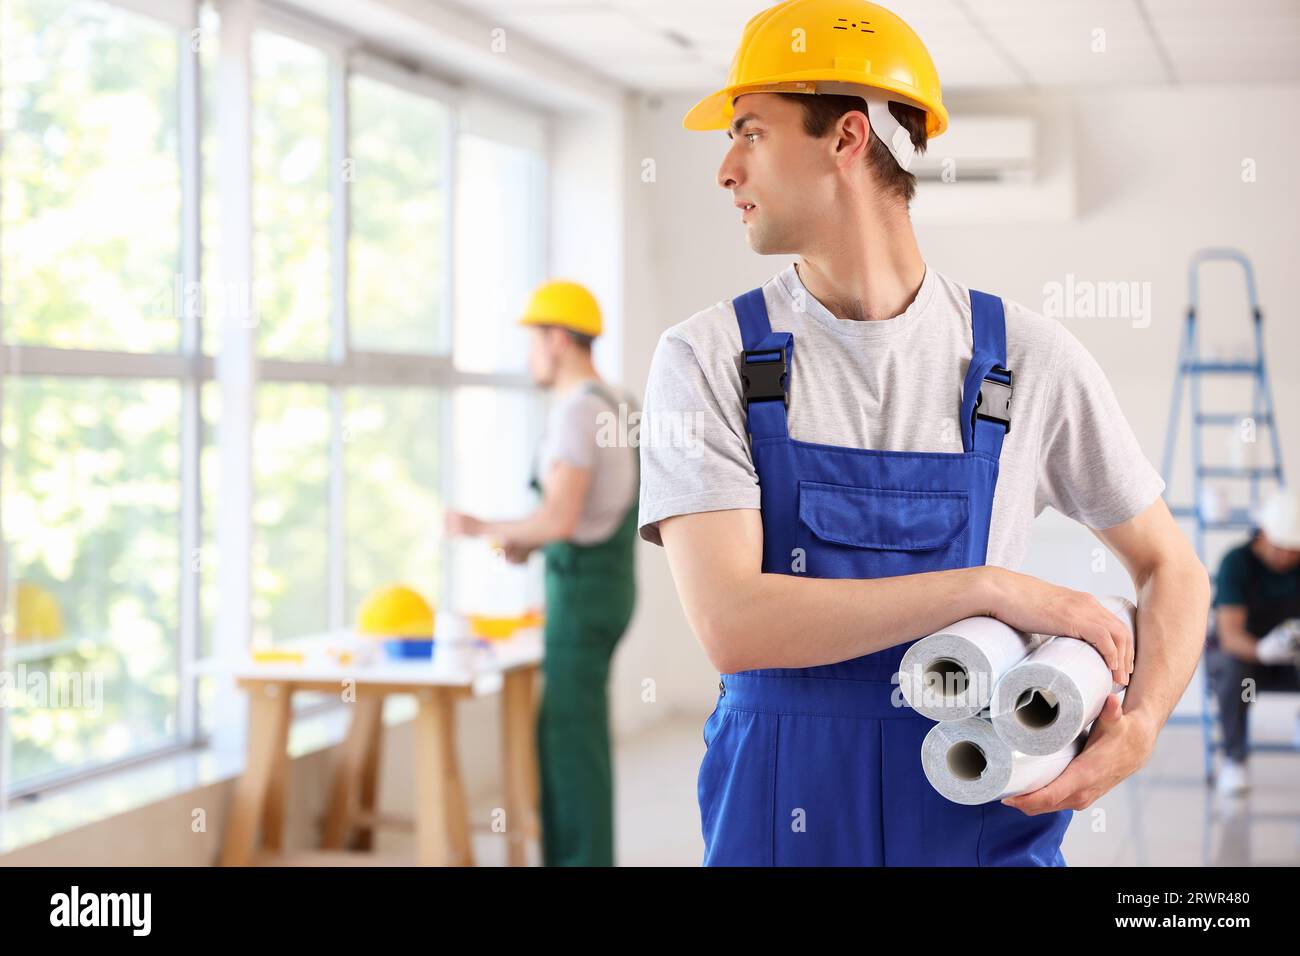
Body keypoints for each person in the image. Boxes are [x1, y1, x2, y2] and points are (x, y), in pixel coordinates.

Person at [637, 0, 1209, 866]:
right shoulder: (707, 358)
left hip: (978, 802)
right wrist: (988, 589)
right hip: (782, 810)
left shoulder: (1026, 361)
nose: (725, 167)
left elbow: (1174, 568)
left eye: (750, 131)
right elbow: (733, 621)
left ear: (847, 138)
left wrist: (1145, 723)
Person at [444, 279, 639, 866]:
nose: (529, 356)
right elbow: (592, 511)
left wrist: (482, 528)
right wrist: (528, 544)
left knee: (567, 744)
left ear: (557, 340)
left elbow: (558, 517)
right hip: (611, 586)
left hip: (580, 598)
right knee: (577, 736)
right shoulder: (620, 403)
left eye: (533, 341)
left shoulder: (577, 414)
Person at [1207, 488, 1300, 796]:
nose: (1288, 555)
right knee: (1235, 672)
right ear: (1263, 533)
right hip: (1244, 657)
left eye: (1295, 550)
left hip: (1291, 659)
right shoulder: (1237, 563)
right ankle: (1235, 760)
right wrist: (1263, 650)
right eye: (1282, 547)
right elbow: (1230, 635)